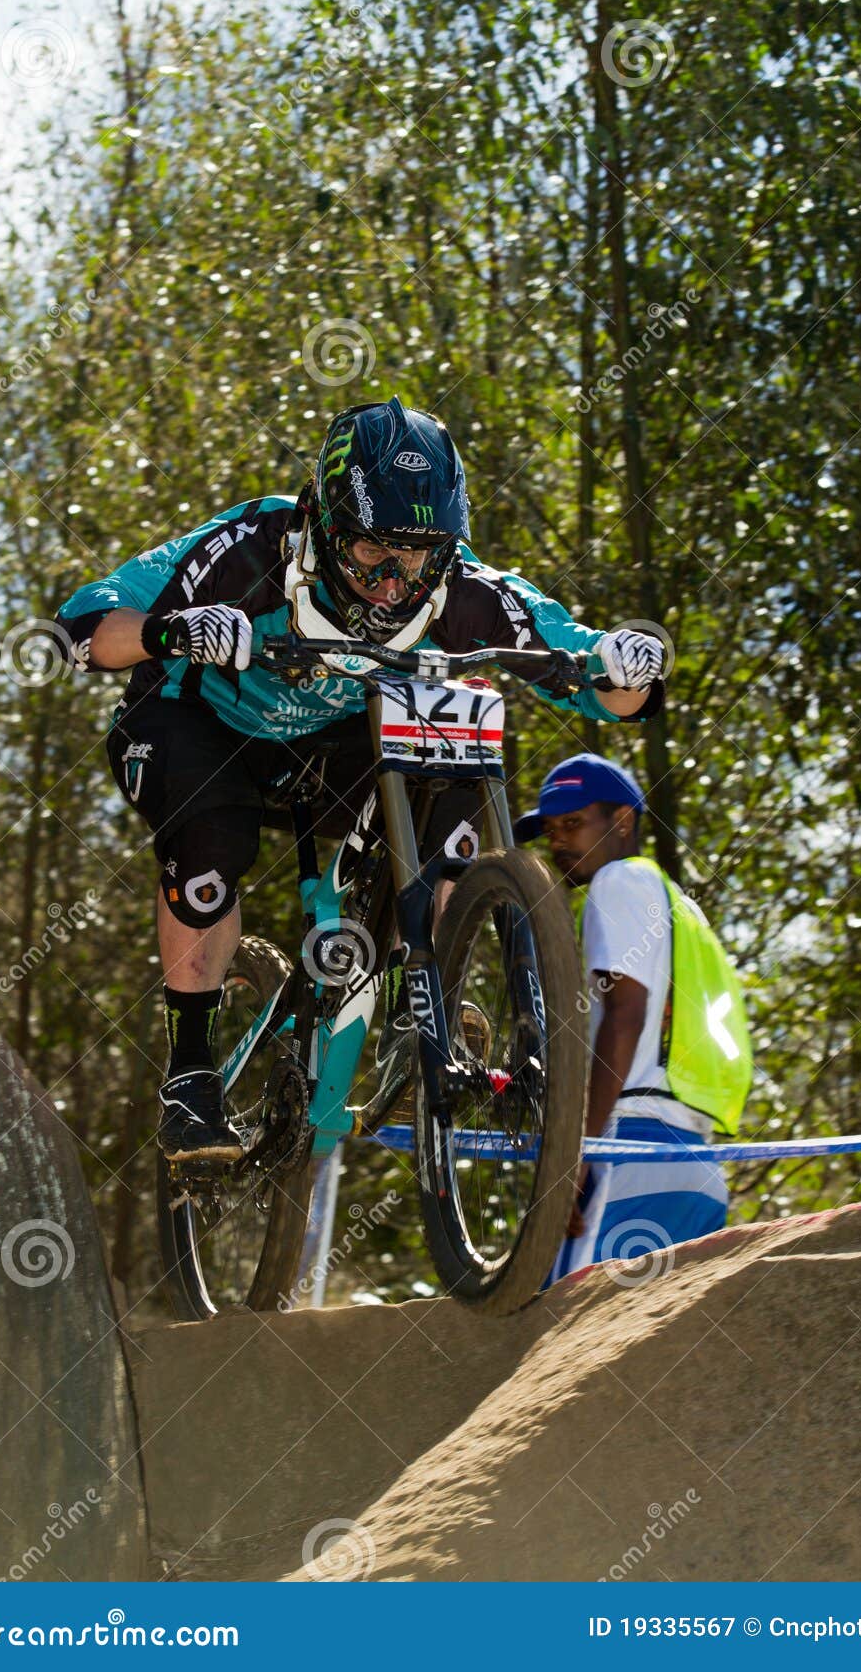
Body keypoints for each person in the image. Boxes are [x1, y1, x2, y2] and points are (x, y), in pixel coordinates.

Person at [54, 396, 665, 1163]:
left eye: (416, 557)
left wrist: (625, 667)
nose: (390, 580)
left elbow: (593, 678)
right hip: (196, 723)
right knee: (214, 842)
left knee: (456, 753)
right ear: (320, 520)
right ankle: (191, 1075)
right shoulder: (251, 546)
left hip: (329, 746)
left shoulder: (464, 591)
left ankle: (428, 1002)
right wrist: (170, 629)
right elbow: (79, 626)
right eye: (371, 550)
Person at [514, 754, 752, 1284]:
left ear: (622, 821)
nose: (558, 841)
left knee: (562, 1346)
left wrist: (579, 1154)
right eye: (550, 830)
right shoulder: (678, 904)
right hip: (693, 1165)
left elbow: (624, 1018)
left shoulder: (618, 881)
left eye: (574, 823)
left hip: (628, 1151)